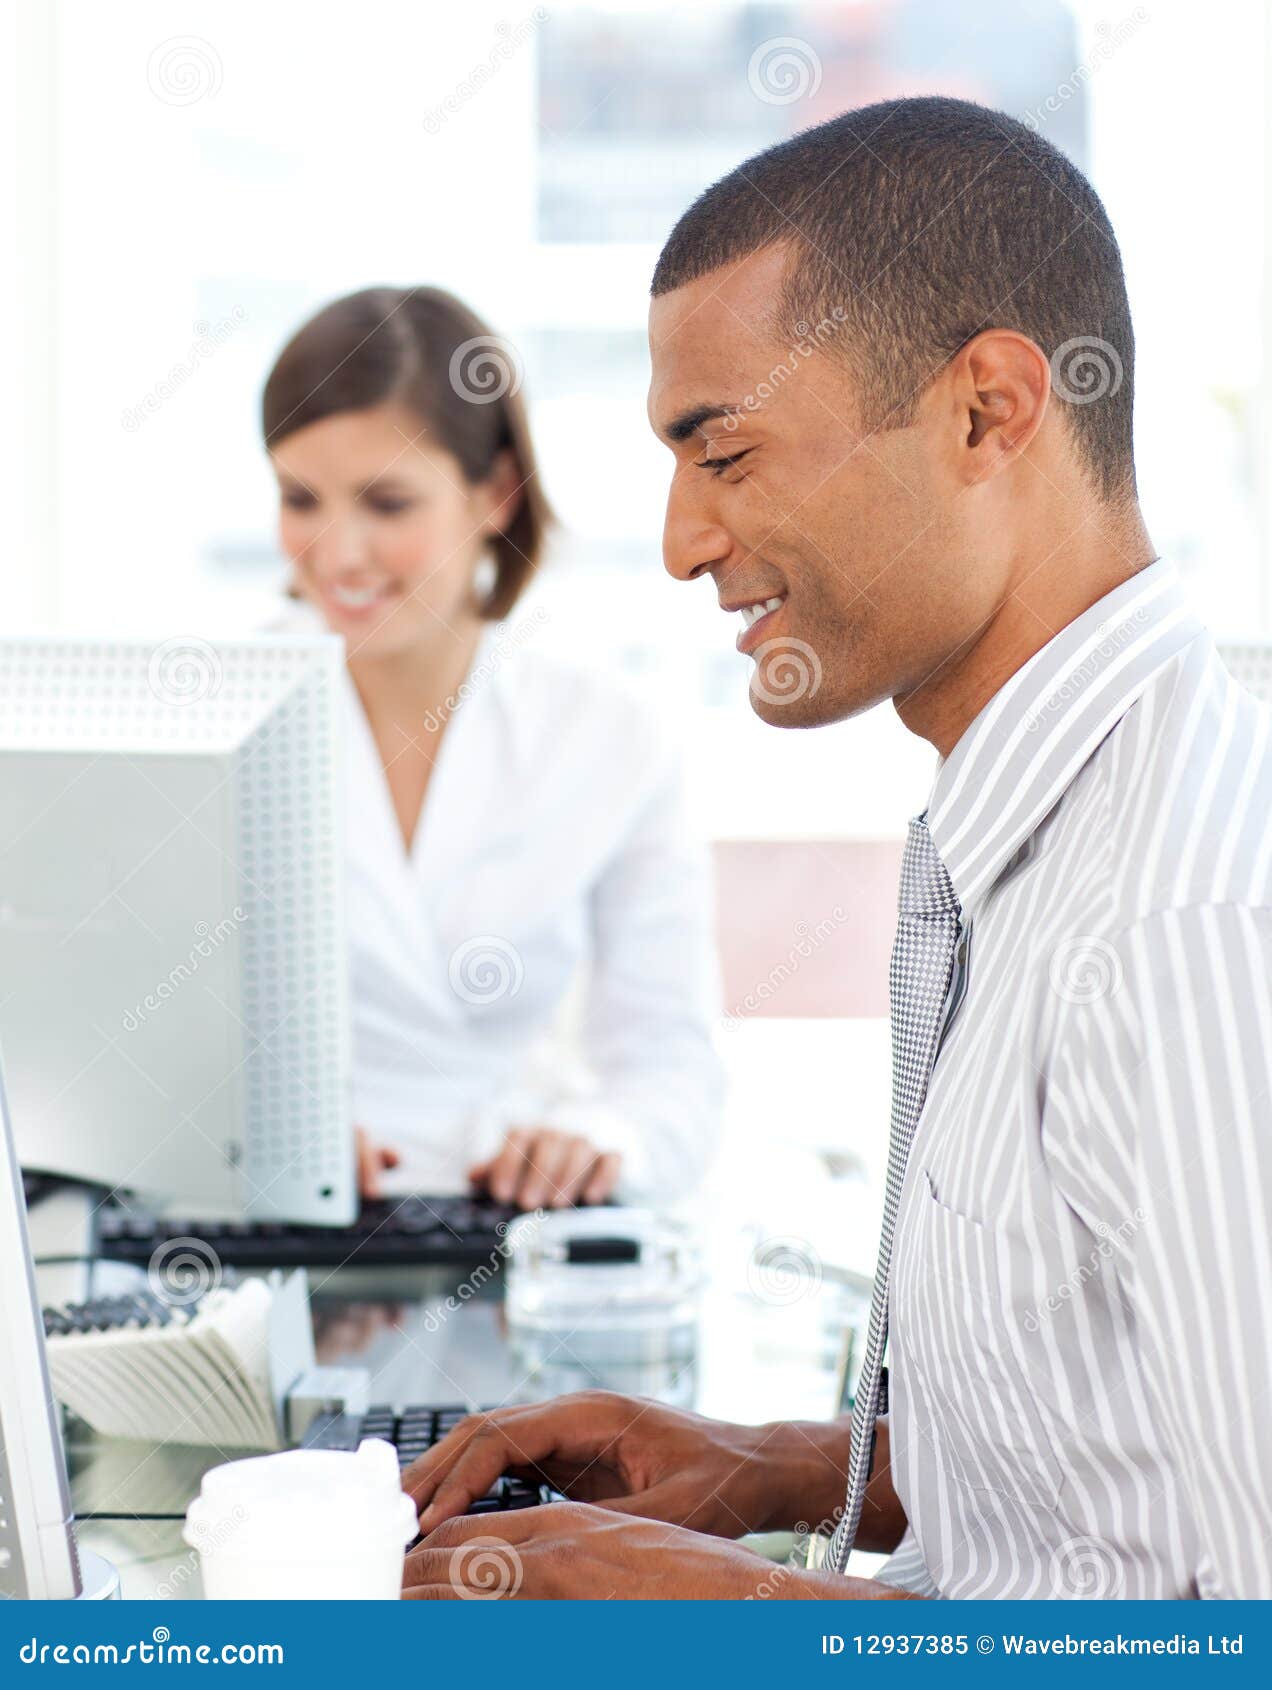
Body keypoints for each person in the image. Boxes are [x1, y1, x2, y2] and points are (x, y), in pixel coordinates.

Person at [399, 97, 1272, 1599]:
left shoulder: (1182, 926)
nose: (681, 542)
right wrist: (782, 1468)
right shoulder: (1046, 822)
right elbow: (1122, 1472)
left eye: (727, 454)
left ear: (989, 410)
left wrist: (742, 1614)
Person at [262, 286, 723, 1210]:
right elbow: (122, 1053)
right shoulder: (225, 719)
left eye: (388, 503)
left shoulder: (608, 734)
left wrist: (598, 1141)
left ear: (496, 493)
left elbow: (673, 1069)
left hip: (514, 1229)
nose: (339, 554)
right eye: (301, 499)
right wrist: (249, 1137)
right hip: (272, 1237)